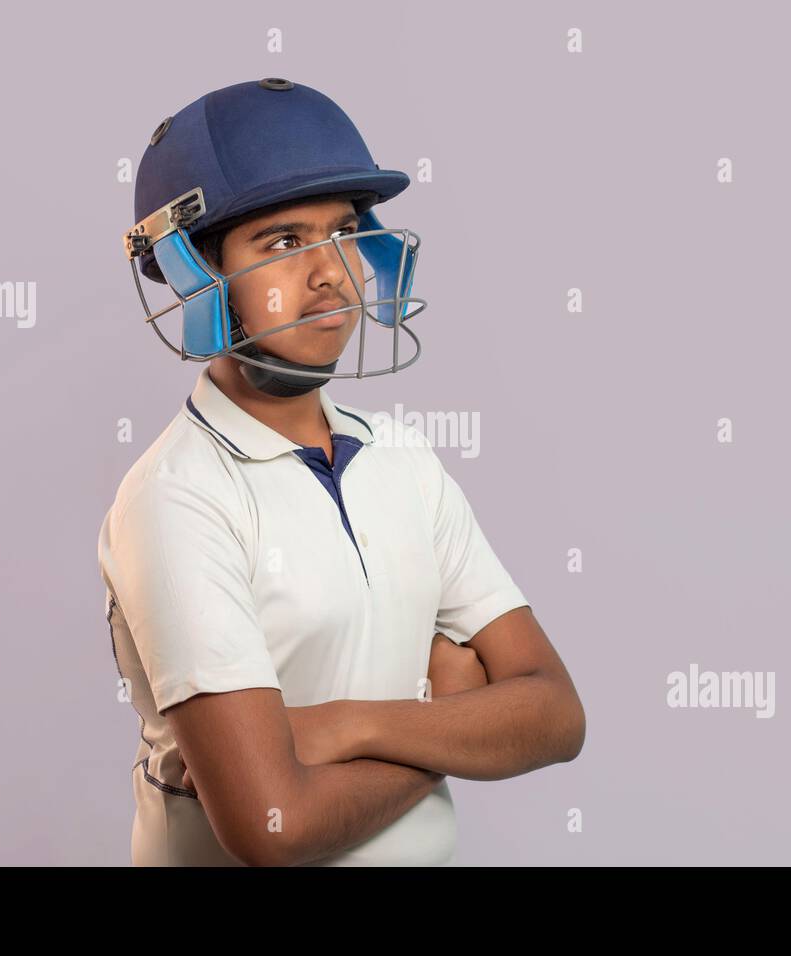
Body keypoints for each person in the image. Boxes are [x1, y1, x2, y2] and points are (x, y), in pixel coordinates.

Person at [98, 78, 585, 866]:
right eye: (284, 243)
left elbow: (556, 715)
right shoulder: (176, 500)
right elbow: (270, 825)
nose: (330, 271)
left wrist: (348, 724)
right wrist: (452, 722)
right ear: (199, 279)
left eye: (345, 232)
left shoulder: (405, 463)